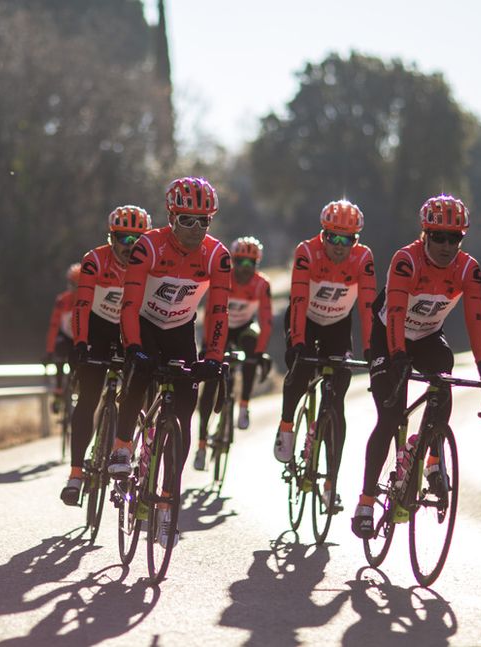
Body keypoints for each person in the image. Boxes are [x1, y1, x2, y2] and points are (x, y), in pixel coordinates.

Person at [351, 195, 481, 538]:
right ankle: (365, 500)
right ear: (426, 234)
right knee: (390, 416)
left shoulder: (468, 268)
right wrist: (398, 356)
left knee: (444, 370)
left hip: (428, 336)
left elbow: (476, 320)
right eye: (440, 237)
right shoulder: (406, 260)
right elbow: (394, 315)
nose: (447, 245)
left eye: (455, 238)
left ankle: (432, 455)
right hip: (388, 336)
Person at [107, 176, 232, 548]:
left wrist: (213, 356)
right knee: (138, 377)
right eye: (187, 221)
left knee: (183, 415)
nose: (196, 229)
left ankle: (167, 501)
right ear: (171, 216)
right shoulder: (148, 245)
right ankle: (123, 446)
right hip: (143, 323)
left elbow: (219, 311)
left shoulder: (216, 255)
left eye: (204, 221)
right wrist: (133, 348)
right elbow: (128, 303)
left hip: (180, 331)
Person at [274, 199, 377, 510]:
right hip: (304, 320)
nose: (339, 245)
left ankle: (331, 482)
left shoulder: (363, 259)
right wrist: (297, 342)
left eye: (348, 239)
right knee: (300, 372)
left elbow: (368, 308)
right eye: (333, 237)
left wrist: (372, 349)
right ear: (323, 234)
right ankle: (287, 425)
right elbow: (298, 299)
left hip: (336, 327)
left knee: (336, 403)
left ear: (356, 240)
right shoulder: (307, 252)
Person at [59, 205, 153, 505]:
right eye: (122, 239)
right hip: (98, 330)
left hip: (131, 331)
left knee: (139, 392)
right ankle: (76, 473)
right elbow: (81, 306)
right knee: (88, 399)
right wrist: (80, 344)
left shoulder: (152, 264)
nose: (129, 247)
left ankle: (130, 453)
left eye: (136, 241)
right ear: (110, 238)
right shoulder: (94, 260)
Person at [194, 236, 273, 470]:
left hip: (244, 329)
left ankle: (244, 405)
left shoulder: (262, 285)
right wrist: (208, 345)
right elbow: (209, 313)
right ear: (232, 261)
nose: (244, 268)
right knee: (210, 383)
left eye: (250, 263)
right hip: (221, 328)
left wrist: (258, 354)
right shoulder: (223, 278)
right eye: (240, 262)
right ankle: (200, 446)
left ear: (256, 265)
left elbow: (266, 321)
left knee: (252, 343)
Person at [44, 263, 80, 412]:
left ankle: (76, 388)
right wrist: (49, 350)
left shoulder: (91, 300)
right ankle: (59, 391)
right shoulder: (62, 300)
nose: (75, 288)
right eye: (73, 284)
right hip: (66, 336)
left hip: (80, 339)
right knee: (59, 355)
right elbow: (54, 326)